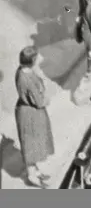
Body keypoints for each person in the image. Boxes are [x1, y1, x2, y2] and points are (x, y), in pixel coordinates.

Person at [14, 46, 54, 187]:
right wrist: (46, 98)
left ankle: (35, 171)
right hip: (30, 114)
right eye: (36, 58)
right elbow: (38, 101)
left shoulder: (22, 71)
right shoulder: (27, 79)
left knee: (32, 143)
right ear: (31, 61)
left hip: (26, 111)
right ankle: (32, 175)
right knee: (31, 144)